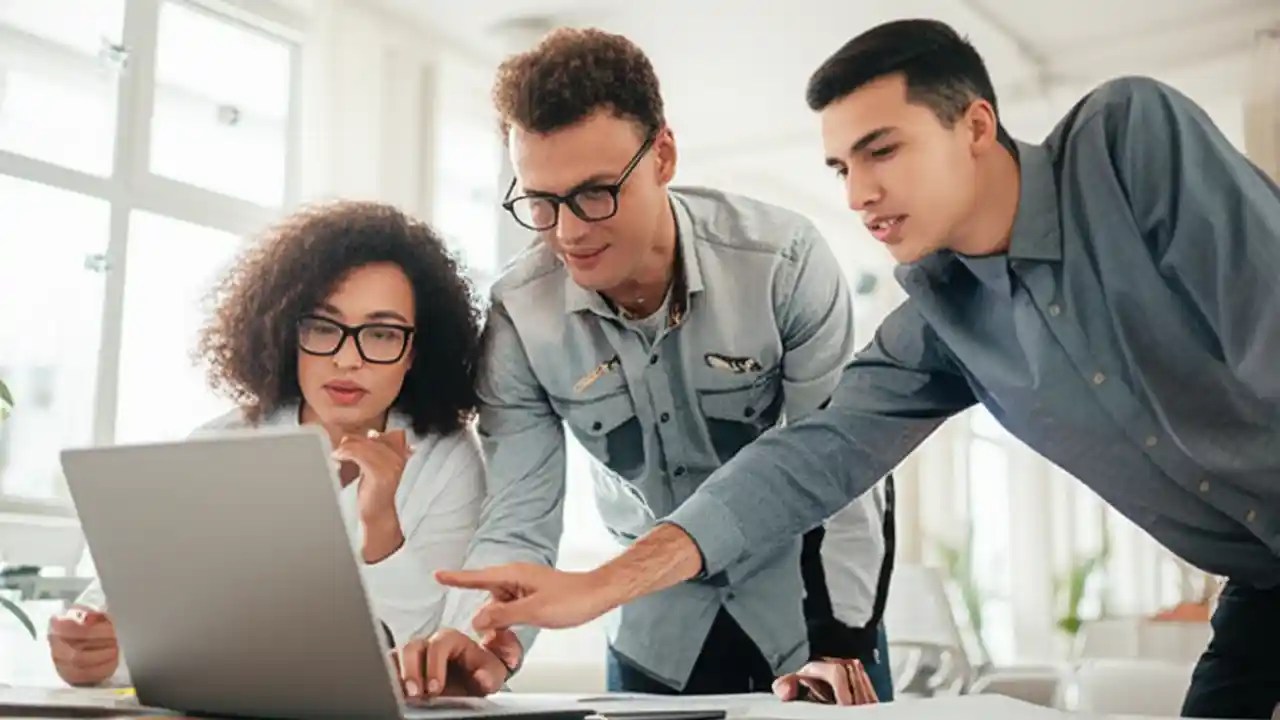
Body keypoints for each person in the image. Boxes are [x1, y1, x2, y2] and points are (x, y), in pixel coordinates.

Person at [434, 19, 1280, 719]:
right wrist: (599, 587)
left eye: (884, 151)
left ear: (975, 126)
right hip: (1264, 582)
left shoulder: (1126, 145)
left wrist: (838, 637)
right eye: (843, 167)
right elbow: (806, 462)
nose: (858, 194)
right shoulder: (944, 324)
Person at [394, 26, 892, 704]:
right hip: (659, 636)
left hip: (808, 622)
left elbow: (838, 472)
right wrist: (487, 635)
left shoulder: (784, 264)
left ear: (663, 155)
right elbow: (521, 509)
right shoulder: (519, 316)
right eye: (541, 201)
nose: (568, 232)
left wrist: (840, 642)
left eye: (596, 193)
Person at [47, 201, 487, 687]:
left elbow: (415, 651)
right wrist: (89, 652)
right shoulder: (218, 445)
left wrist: (380, 520)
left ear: (414, 352)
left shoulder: (448, 458)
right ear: (286, 334)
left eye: (381, 334)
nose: (346, 358)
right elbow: (120, 614)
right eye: (323, 327)